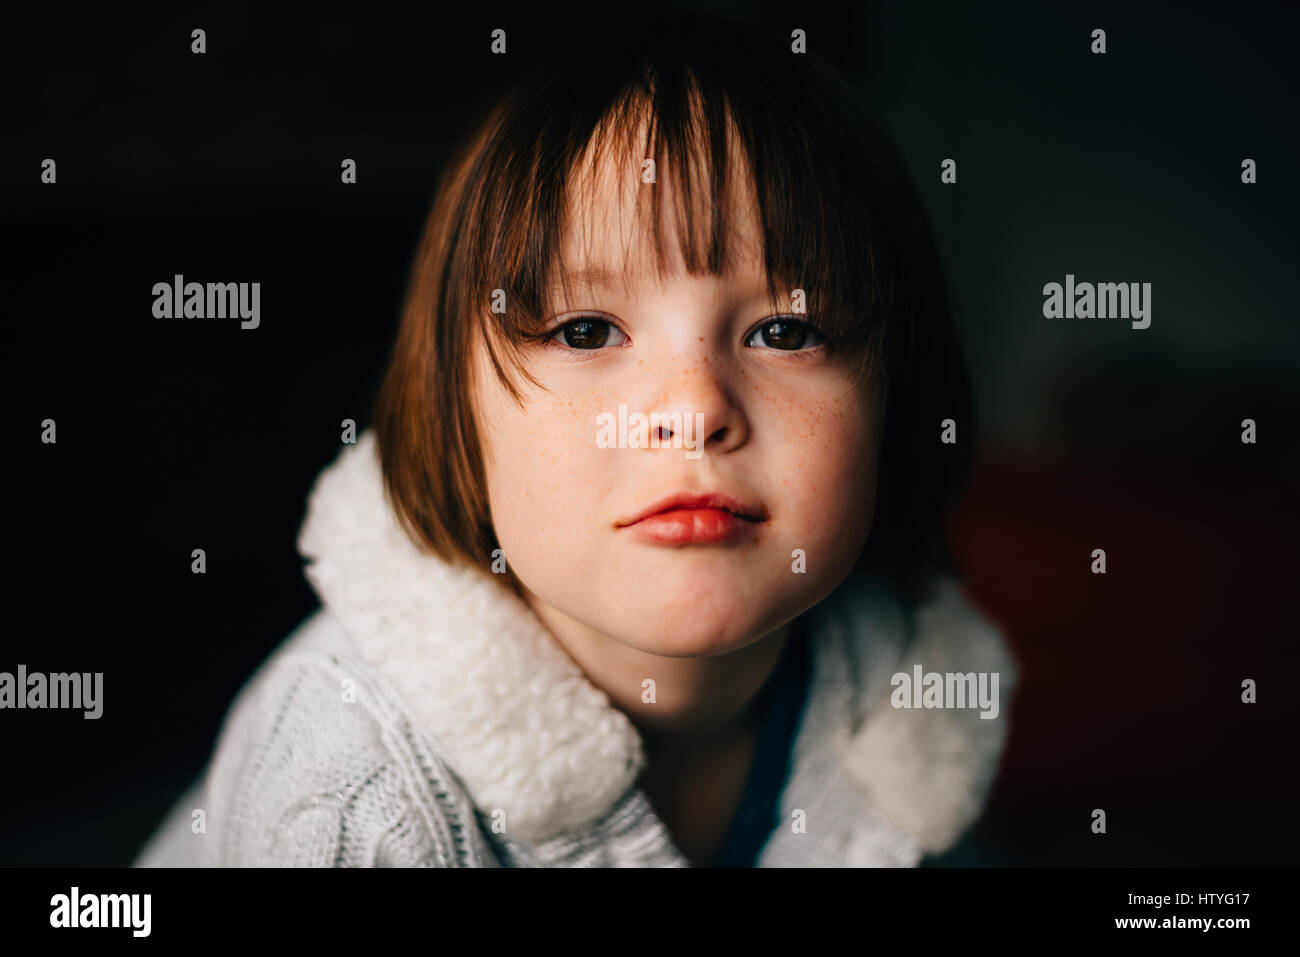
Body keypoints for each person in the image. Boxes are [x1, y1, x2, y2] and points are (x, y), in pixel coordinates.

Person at [134, 12, 1017, 868]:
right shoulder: (349, 779)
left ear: (896, 399)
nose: (689, 411)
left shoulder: (916, 719)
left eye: (785, 333)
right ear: (457, 409)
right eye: (587, 331)